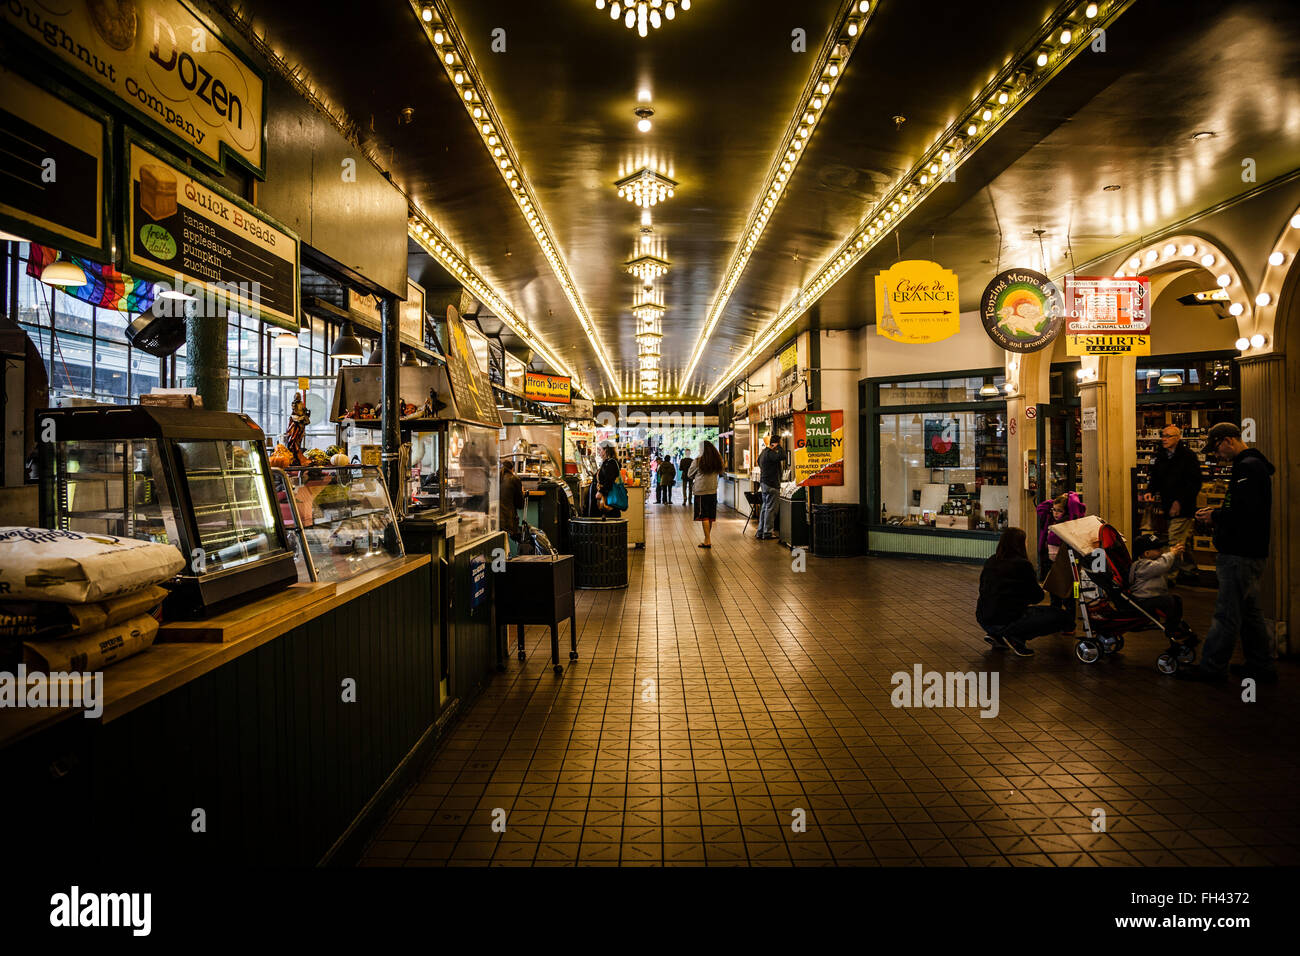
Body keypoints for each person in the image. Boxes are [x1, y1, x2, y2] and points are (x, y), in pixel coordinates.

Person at [1179, 422, 1277, 683]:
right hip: (1251, 550)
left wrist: (1215, 515)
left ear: (1228, 441)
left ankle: (1212, 667)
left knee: (1227, 612)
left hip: (1239, 552)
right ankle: (1261, 666)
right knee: (1250, 612)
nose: (1217, 456)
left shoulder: (1247, 468)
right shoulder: (1252, 467)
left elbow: (1246, 512)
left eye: (1217, 449)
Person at [976, 527, 1073, 658]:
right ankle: (1016, 637)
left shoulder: (991, 560)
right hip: (1008, 619)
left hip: (984, 618)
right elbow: (1036, 597)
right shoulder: (1022, 565)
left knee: (1008, 614)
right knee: (1060, 616)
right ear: (1020, 544)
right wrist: (1041, 589)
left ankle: (997, 635)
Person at [1142, 424, 1203, 584]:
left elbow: (1194, 483)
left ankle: (1169, 576)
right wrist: (1150, 490)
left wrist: (1180, 502)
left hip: (1184, 507)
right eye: (1163, 435)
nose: (1164, 439)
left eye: (1168, 436)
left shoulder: (1188, 456)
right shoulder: (1161, 455)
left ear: (1177, 438)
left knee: (1175, 539)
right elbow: (1155, 476)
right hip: (1168, 504)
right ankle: (1189, 570)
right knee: (1183, 539)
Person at [1035, 491, 1084, 632]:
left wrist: (1070, 495)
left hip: (1067, 564)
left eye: (1060, 511)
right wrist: (1055, 502)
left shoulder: (1071, 522)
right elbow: (1041, 508)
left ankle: (1069, 626)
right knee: (1054, 595)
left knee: (1069, 597)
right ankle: (1054, 623)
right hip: (1051, 563)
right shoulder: (1050, 520)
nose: (1056, 513)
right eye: (1054, 510)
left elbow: (1075, 506)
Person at [1128, 532, 1184, 636]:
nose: (1162, 551)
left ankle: (1176, 623)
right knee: (1168, 601)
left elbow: (1168, 566)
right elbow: (1161, 565)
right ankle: (1172, 628)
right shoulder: (1142, 565)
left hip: (1152, 597)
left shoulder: (1153, 563)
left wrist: (1176, 556)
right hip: (1144, 599)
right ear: (1147, 553)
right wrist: (1171, 554)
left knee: (1176, 599)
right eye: (1158, 550)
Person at [689, 440, 724, 549]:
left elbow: (690, 474)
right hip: (713, 491)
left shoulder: (698, 461)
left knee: (704, 515)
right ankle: (706, 538)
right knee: (710, 516)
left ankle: (707, 540)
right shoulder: (717, 461)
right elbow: (721, 472)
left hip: (701, 491)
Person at [755, 435, 786, 540]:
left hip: (764, 483)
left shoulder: (763, 453)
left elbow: (758, 462)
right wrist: (779, 447)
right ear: (776, 443)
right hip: (772, 484)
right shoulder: (771, 454)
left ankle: (760, 531)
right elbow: (783, 456)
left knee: (765, 508)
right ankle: (768, 532)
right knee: (771, 509)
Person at [500, 460, 526, 554]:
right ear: (512, 469)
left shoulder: (495, 478)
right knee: (520, 536)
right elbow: (520, 505)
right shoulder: (514, 479)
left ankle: (503, 563)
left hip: (494, 521)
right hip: (508, 521)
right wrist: (521, 492)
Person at [590, 441, 623, 517]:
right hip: (606, 499)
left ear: (606, 450)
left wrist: (601, 492)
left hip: (607, 500)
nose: (599, 452)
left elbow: (609, 481)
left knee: (609, 520)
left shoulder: (611, 463)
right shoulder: (607, 462)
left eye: (600, 450)